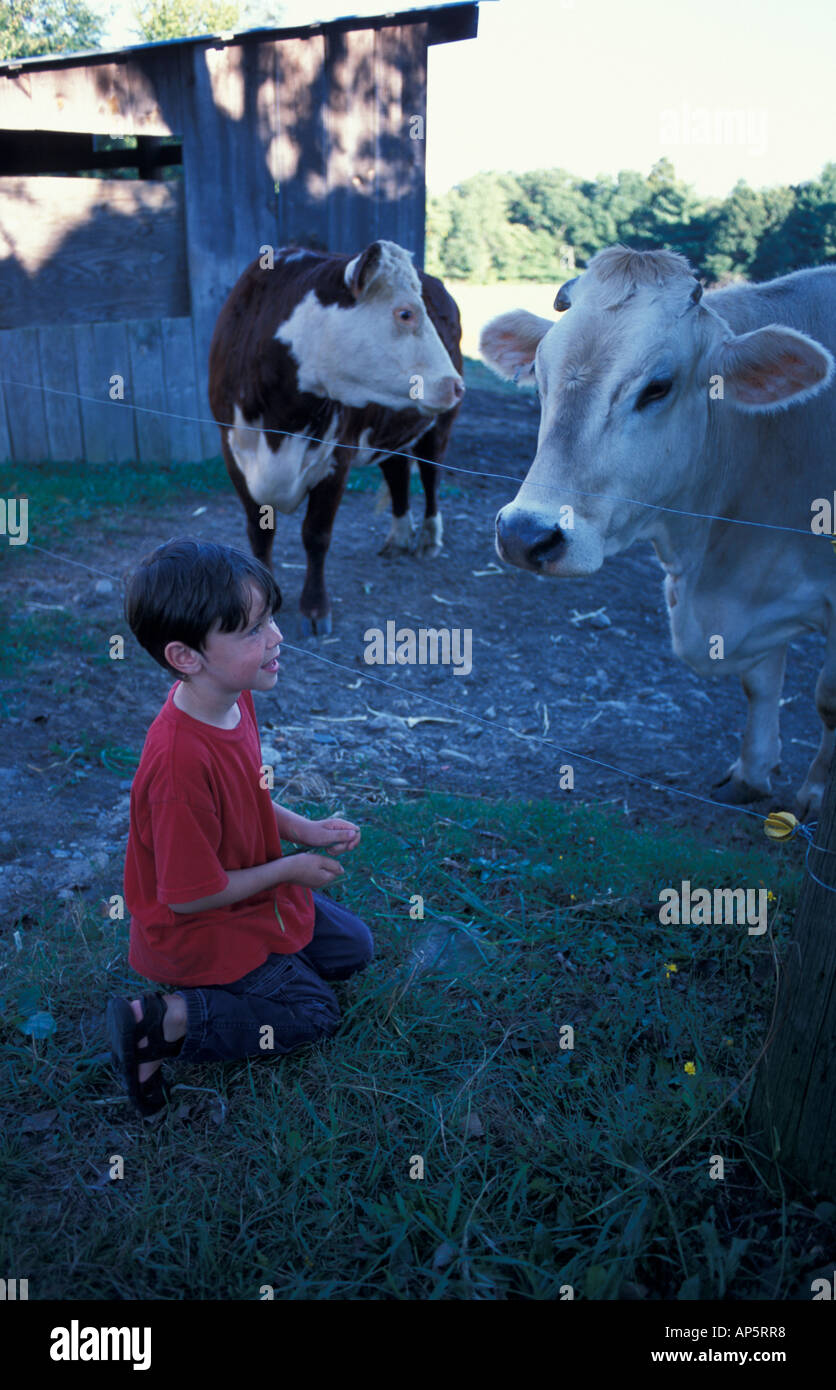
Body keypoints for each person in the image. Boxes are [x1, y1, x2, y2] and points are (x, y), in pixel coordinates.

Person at [106, 538, 373, 1118]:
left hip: (249, 891)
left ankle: (254, 976)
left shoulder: (230, 697)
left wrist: (305, 829)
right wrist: (292, 869)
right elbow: (193, 893)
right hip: (200, 929)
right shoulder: (178, 762)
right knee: (314, 1013)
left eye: (270, 618)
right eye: (252, 630)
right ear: (186, 657)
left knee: (354, 949)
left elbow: (248, 798)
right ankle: (163, 1022)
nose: (277, 637)